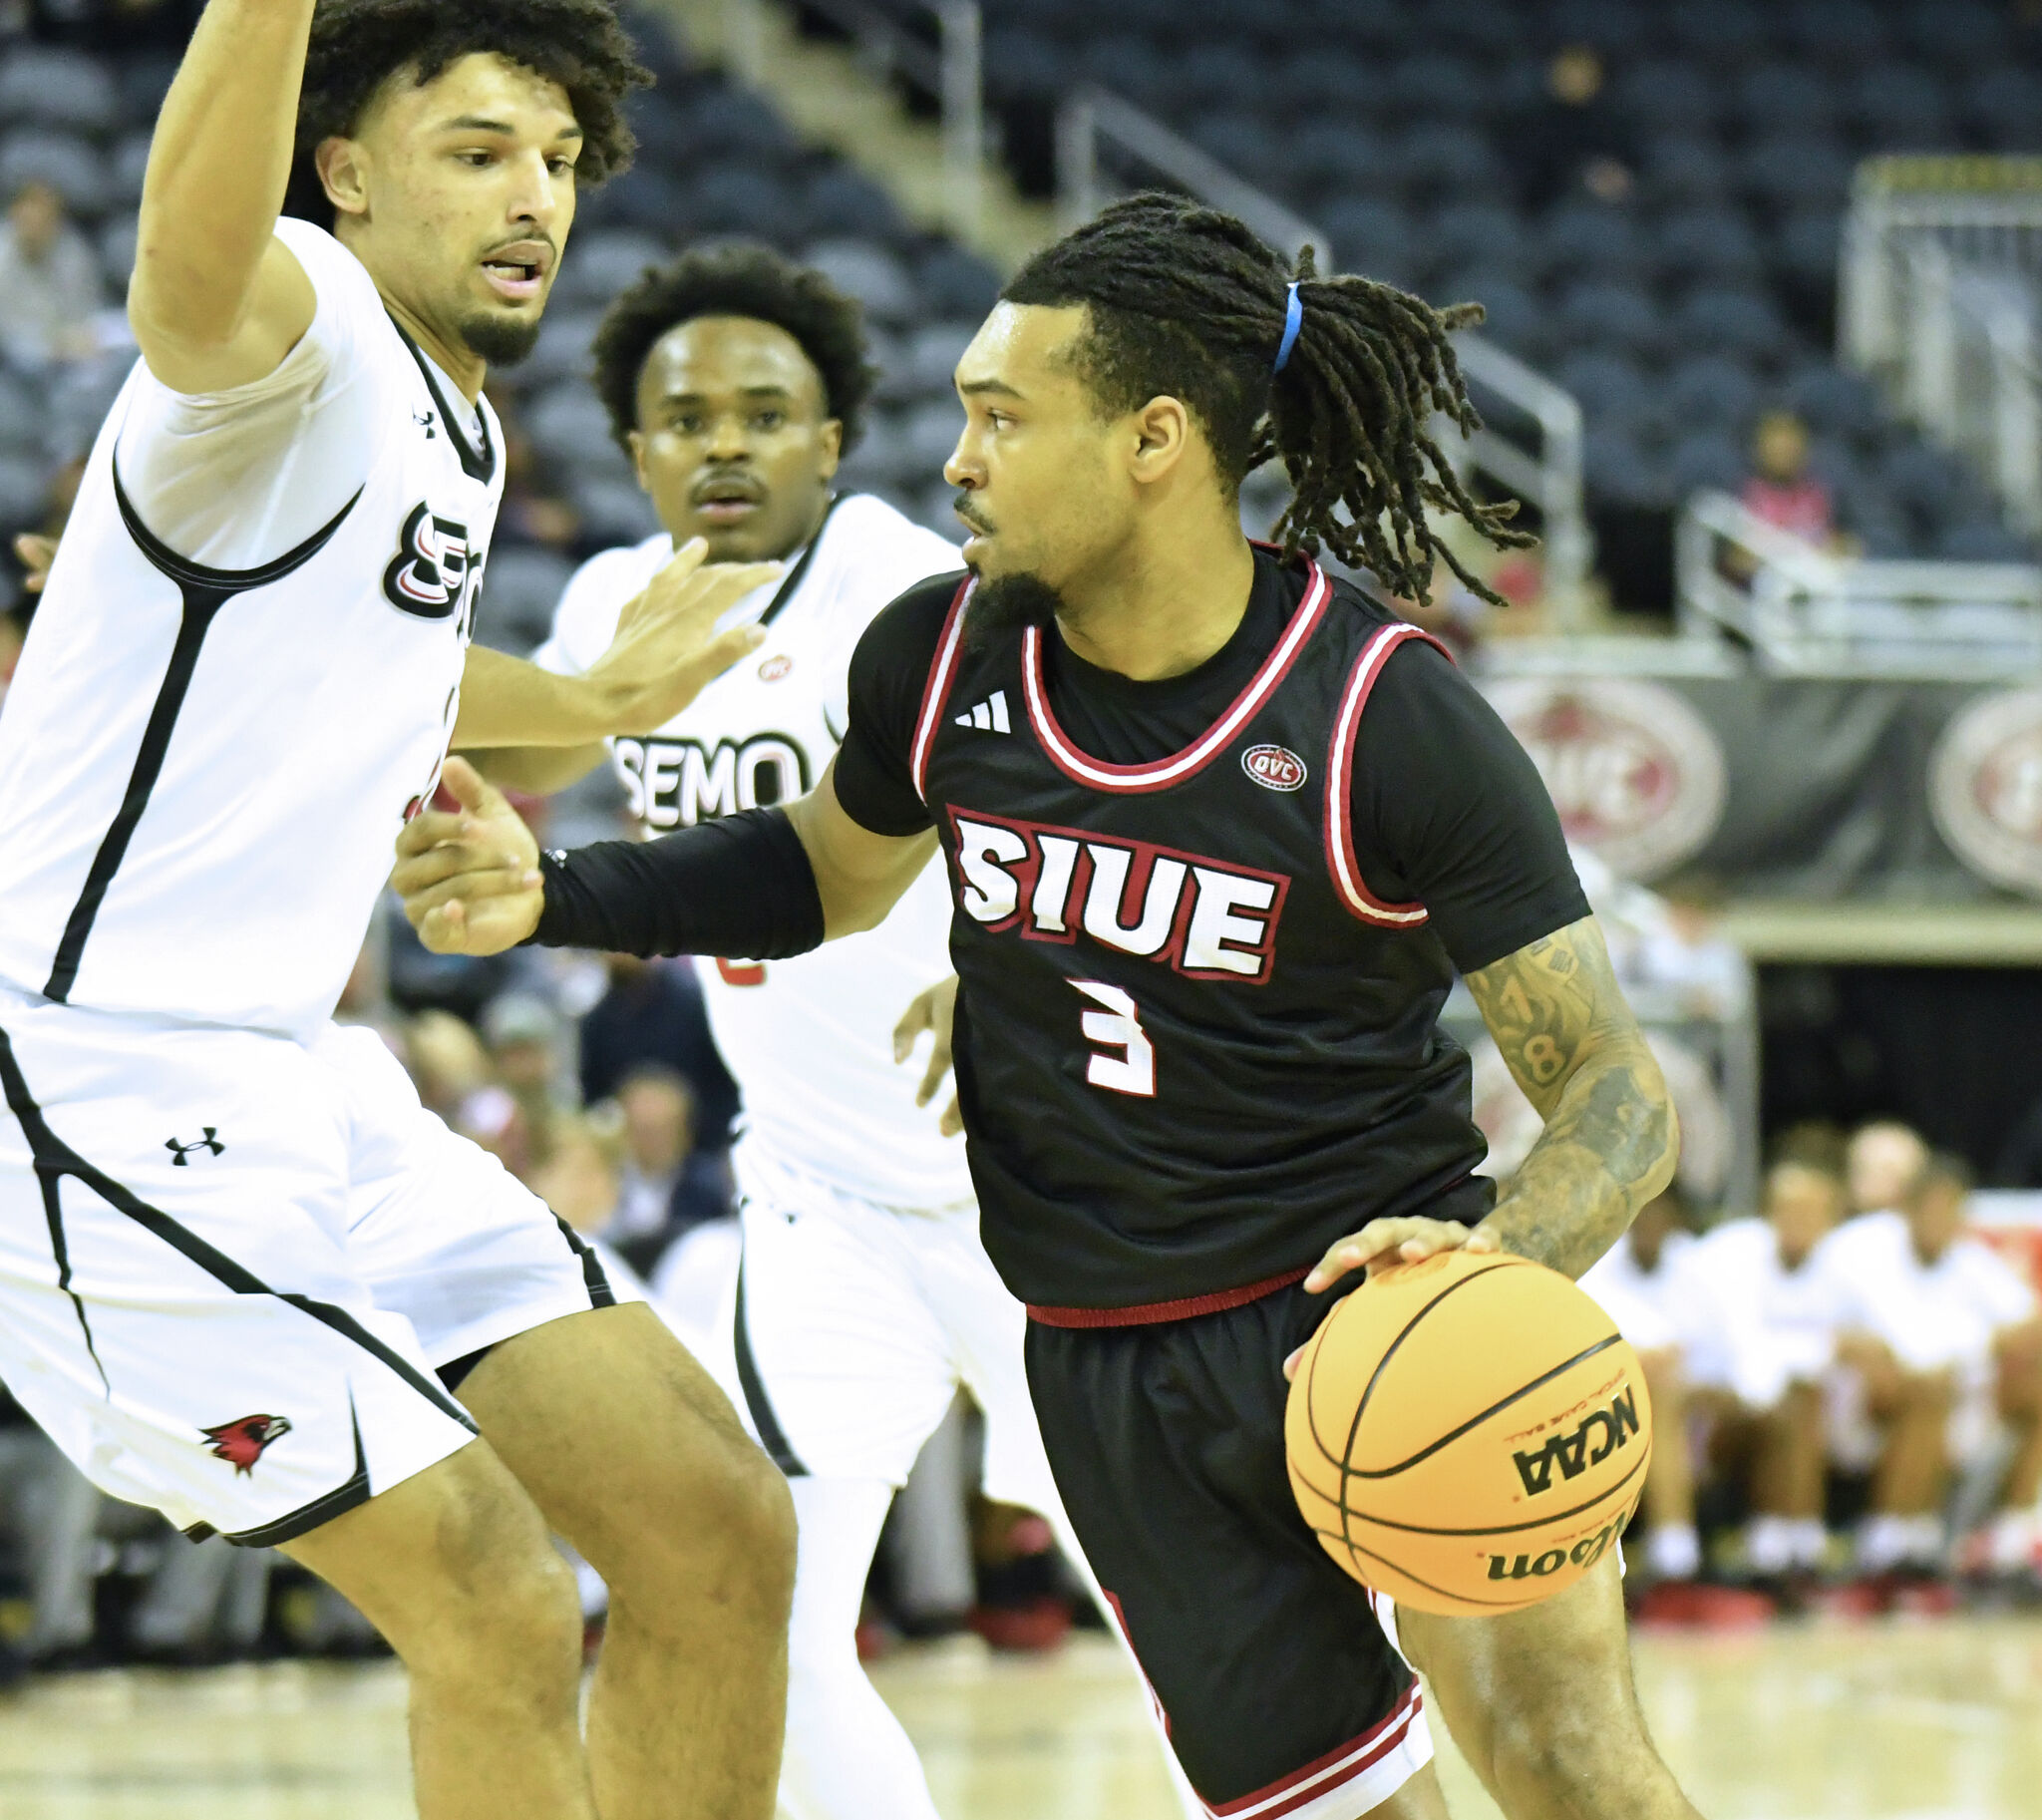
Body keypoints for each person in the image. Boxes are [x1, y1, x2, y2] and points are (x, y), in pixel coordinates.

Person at [400, 192, 1702, 1820]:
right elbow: (821, 871)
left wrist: (1496, 1269)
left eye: (1001, 420)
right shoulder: (941, 658)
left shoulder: (1385, 715)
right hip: (1102, 1365)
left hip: (1366, 1314)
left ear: (1152, 439)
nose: (956, 463)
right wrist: (559, 892)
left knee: (1571, 1771)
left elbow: (1616, 1096)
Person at [0, 5, 798, 1815]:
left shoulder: (452, 425)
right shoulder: (297, 316)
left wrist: (591, 713)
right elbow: (184, 285)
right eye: (476, 149)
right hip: (86, 1085)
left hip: (308, 1084)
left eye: (560, 162)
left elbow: (387, 674)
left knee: (711, 1525)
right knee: (495, 1592)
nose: (535, 196)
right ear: (345, 175)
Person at [472, 240, 1187, 1820]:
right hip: (816, 1196)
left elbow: (1110, 796)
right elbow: (481, 767)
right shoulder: (609, 609)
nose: (723, 442)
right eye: (686, 417)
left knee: (1189, 1625)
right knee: (769, 1622)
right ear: (635, 445)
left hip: (1041, 1181)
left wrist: (1025, 959)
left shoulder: (920, 593)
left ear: (829, 439)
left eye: (763, 411)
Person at [1822, 1151, 2042, 1590]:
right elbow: (1831, 1332)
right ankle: (1888, 1544)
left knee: (2031, 1386)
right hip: (1860, 1405)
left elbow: (2029, 1321)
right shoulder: (1858, 1248)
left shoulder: (1970, 1260)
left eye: (1951, 1211)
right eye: (1932, 1209)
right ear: (1908, 1207)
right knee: (1923, 1391)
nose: (1941, 1221)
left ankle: (2010, 1541)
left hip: (1955, 1404)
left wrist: (1973, 1352)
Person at [1682, 1161, 1846, 1593]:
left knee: (1801, 1402)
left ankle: (1780, 1546)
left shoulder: (1842, 1269)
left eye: (1812, 1213)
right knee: (1792, 1403)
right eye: (1790, 1211)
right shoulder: (1729, 1257)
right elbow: (1746, 1365)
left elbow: (1866, 1346)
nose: (1800, 1223)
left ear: (1831, 1218)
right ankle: (1792, 1546)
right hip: (1712, 1414)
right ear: (1768, 1212)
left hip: (1800, 1412)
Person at [0, 178, 104, 367]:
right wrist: (50, 346)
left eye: (46, 217)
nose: (37, 224)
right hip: (15, 361)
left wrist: (76, 338)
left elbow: (87, 311)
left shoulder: (72, 253)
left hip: (71, 354)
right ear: (14, 214)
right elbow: (6, 332)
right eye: (29, 218)